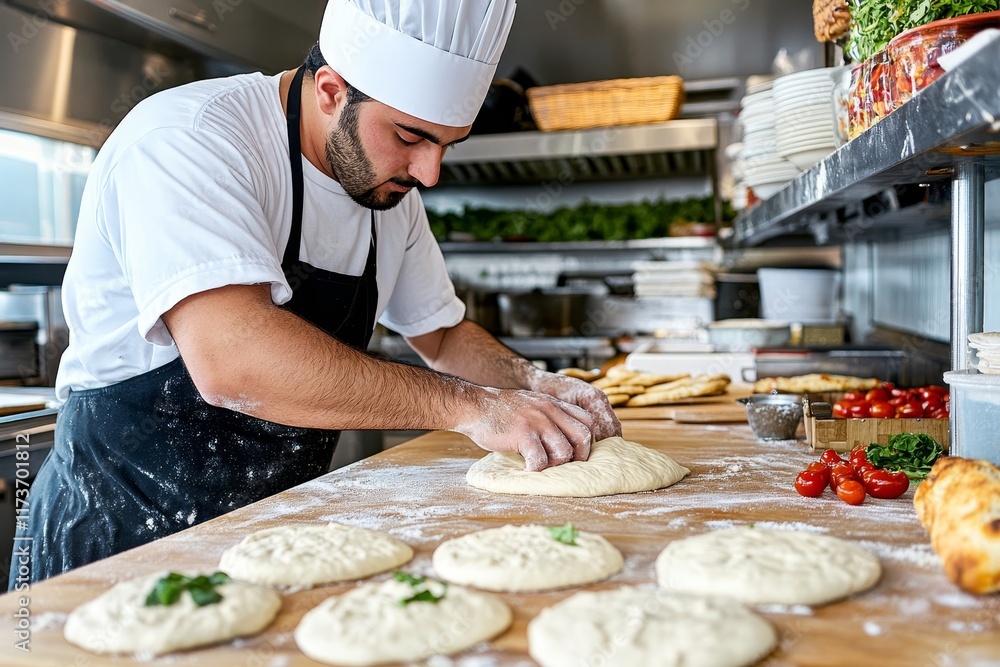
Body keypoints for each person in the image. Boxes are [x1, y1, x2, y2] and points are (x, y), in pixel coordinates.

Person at [10, 0, 620, 587]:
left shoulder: (388, 191)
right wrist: (472, 408)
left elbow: (443, 333)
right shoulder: (191, 140)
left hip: (274, 538)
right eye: (411, 136)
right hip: (119, 540)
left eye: (445, 145)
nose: (430, 172)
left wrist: (532, 384)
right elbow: (233, 362)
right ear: (329, 90)